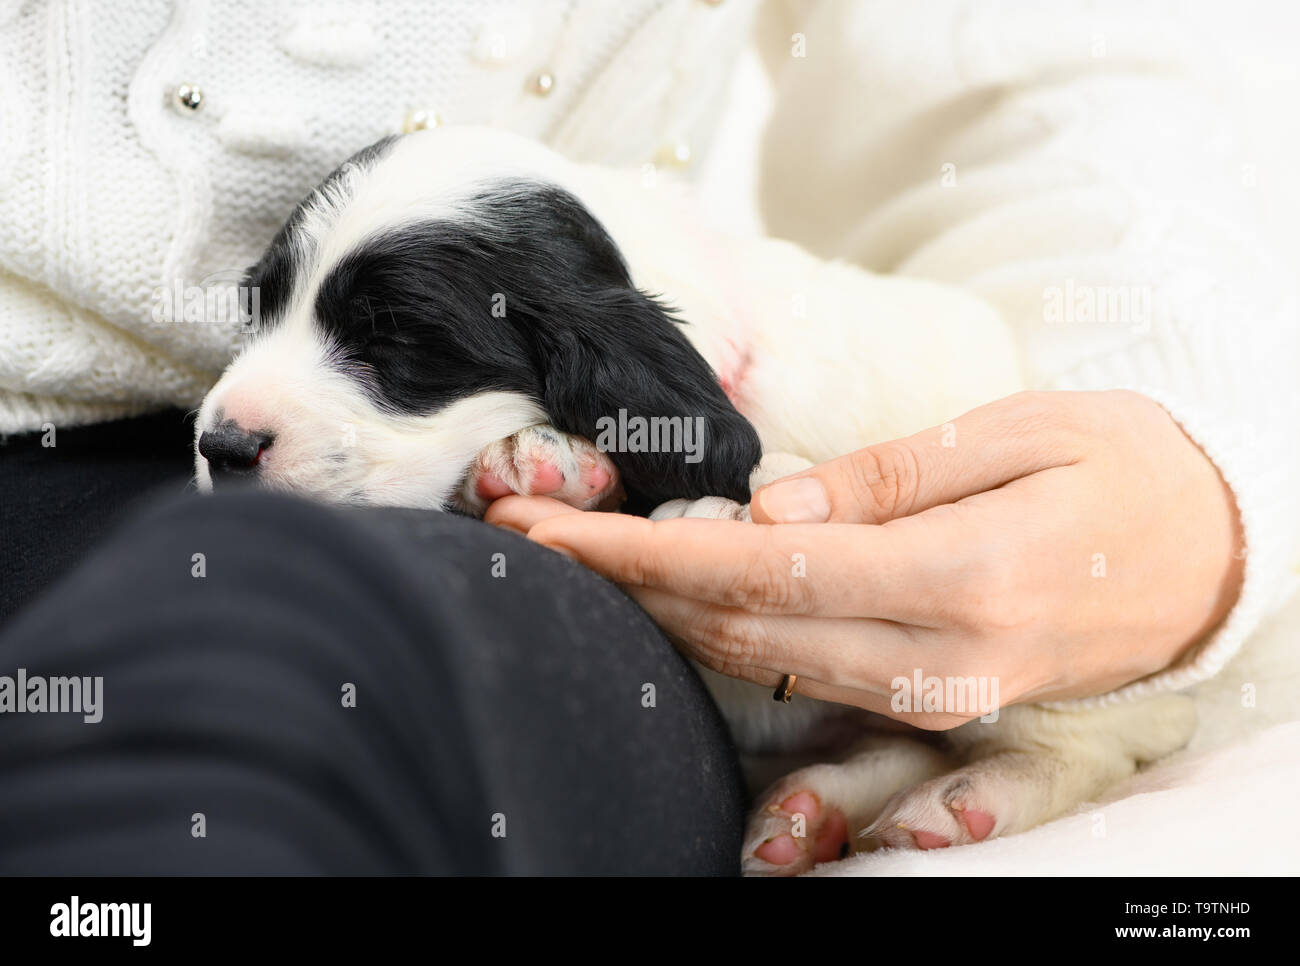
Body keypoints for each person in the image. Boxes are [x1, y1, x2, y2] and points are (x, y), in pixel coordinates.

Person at [1, 1, 1296, 873]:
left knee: (276, 658)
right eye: (269, 317)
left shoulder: (656, 390)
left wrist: (1175, 459)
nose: (245, 404)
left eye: (386, 350)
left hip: (423, 573)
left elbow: (1045, 77)